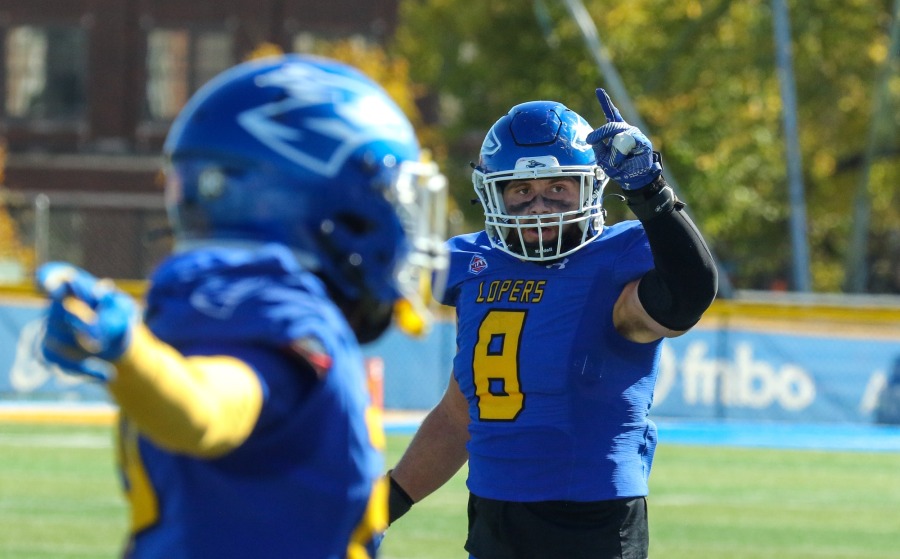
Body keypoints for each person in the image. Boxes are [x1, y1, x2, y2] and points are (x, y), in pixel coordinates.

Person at [35, 54, 448, 559]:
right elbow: (208, 409)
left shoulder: (217, 300)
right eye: (387, 194)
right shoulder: (266, 309)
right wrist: (131, 355)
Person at [385, 89, 718, 559]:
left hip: (591, 523)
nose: (538, 206)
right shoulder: (474, 264)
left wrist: (651, 194)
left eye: (557, 189)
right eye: (521, 191)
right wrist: (384, 505)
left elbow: (686, 297)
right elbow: (460, 416)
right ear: (494, 192)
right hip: (493, 517)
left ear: (589, 188)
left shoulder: (613, 262)